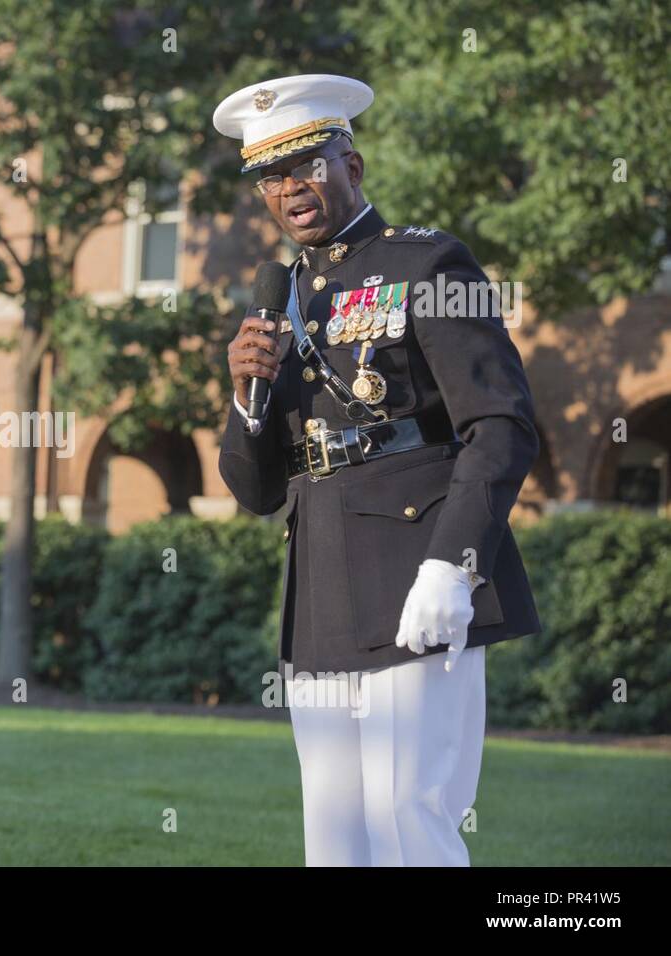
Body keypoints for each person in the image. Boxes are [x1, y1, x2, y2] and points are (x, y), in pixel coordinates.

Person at [211, 74, 541, 866]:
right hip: (320, 585)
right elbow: (258, 494)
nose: (290, 188)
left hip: (414, 569)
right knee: (334, 837)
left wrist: (453, 565)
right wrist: (247, 401)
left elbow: (502, 425)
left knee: (409, 817)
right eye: (270, 177)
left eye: (307, 164)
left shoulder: (428, 266)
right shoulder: (280, 298)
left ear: (350, 165)